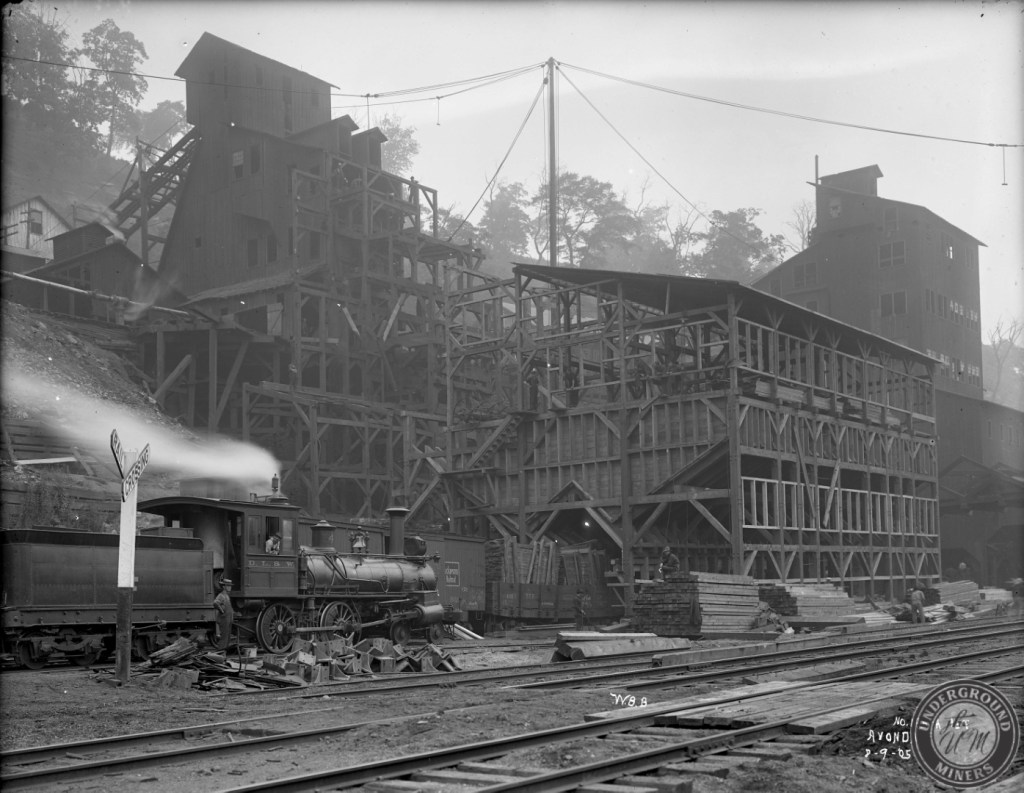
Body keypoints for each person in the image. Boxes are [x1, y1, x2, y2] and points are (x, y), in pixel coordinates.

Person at [214, 579, 234, 650]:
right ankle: (221, 651)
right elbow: (215, 603)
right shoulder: (221, 595)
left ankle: (224, 651)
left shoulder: (227, 596)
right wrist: (222, 611)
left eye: (230, 586)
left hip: (228, 619)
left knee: (227, 637)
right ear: (224, 587)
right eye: (228, 586)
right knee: (224, 637)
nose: (230, 587)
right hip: (224, 619)